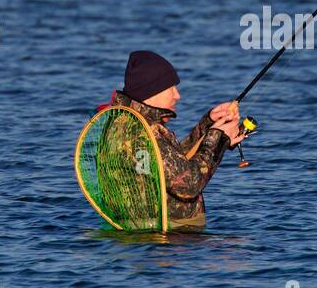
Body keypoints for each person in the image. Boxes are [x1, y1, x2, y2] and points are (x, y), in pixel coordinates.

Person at [96, 51, 247, 229]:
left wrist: (207, 125)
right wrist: (217, 137)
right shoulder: (140, 133)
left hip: (153, 239)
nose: (177, 95)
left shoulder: (130, 122)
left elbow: (171, 165)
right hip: (164, 240)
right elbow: (188, 184)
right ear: (152, 91)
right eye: (171, 89)